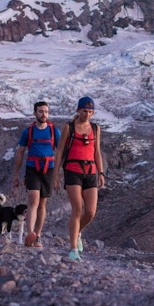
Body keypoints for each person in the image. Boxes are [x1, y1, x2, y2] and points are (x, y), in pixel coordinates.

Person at [53, 96, 105, 261]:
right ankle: (73, 249)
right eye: (84, 111)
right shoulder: (69, 127)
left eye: (90, 112)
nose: (87, 114)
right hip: (72, 171)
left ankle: (77, 233)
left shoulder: (96, 129)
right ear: (78, 110)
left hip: (90, 172)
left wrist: (101, 173)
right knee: (77, 209)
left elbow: (97, 151)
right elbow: (60, 151)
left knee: (90, 212)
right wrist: (55, 174)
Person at [11, 101, 61, 248]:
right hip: (32, 168)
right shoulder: (28, 131)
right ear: (35, 113)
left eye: (46, 111)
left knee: (42, 204)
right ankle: (30, 234)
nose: (43, 114)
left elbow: (60, 152)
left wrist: (58, 174)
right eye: (40, 111)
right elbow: (20, 152)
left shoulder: (54, 131)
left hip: (48, 169)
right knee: (33, 200)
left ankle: (37, 236)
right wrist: (16, 174)